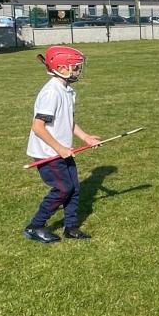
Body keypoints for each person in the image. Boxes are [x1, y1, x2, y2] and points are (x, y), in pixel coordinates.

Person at [24, 46, 101, 244]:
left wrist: (85, 137)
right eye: (75, 67)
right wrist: (59, 148)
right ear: (61, 68)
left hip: (63, 151)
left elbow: (68, 121)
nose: (78, 71)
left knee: (74, 188)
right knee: (63, 188)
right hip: (48, 153)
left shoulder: (67, 90)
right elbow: (38, 127)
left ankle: (71, 227)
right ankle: (35, 226)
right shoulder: (51, 92)